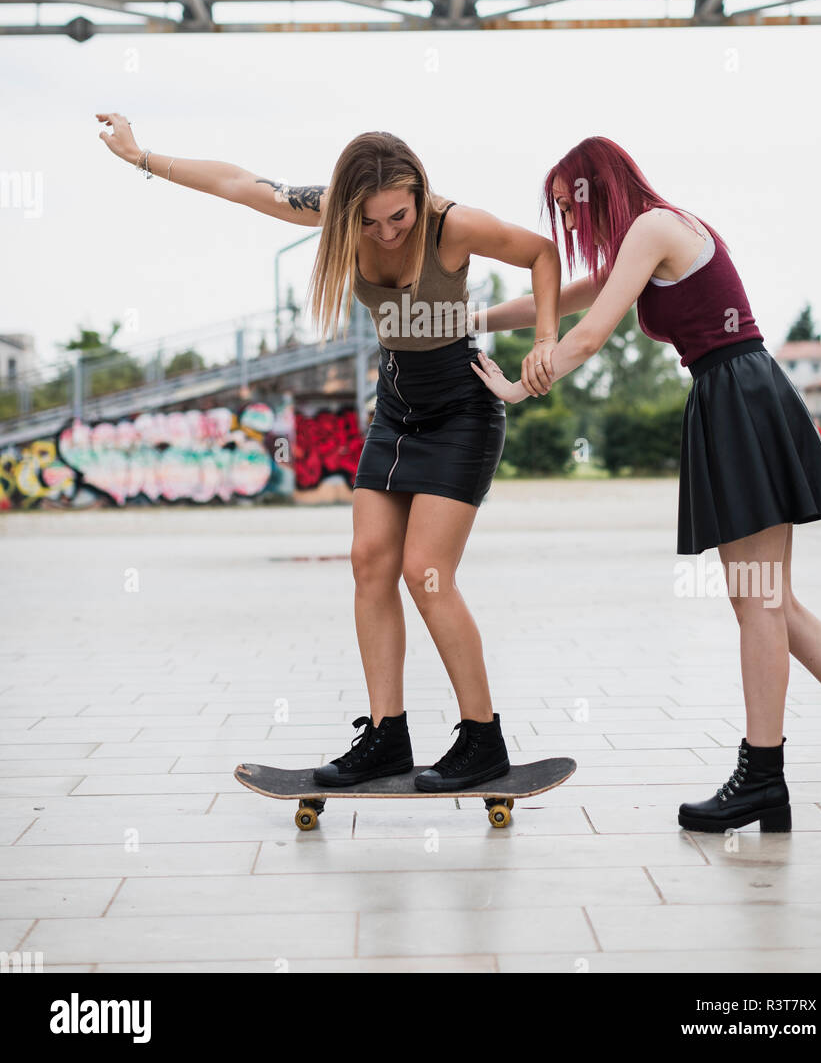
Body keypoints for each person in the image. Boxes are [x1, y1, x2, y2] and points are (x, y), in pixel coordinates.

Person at [96, 115, 561, 791]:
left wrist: (545, 338)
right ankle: (385, 737)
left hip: (463, 412)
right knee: (370, 561)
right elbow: (237, 183)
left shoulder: (452, 225)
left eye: (397, 217)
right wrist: (141, 156)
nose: (386, 233)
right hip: (397, 410)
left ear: (418, 191)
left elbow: (542, 253)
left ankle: (482, 740)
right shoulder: (336, 215)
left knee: (425, 571)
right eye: (369, 223)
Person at [471, 136, 821, 831]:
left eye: (570, 203)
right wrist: (466, 320)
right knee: (777, 605)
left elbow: (588, 336)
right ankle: (801, 769)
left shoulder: (654, 228)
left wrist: (520, 385)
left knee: (760, 604)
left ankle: (761, 778)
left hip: (737, 394)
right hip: (733, 394)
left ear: (601, 185)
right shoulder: (650, 238)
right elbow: (561, 300)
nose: (568, 221)